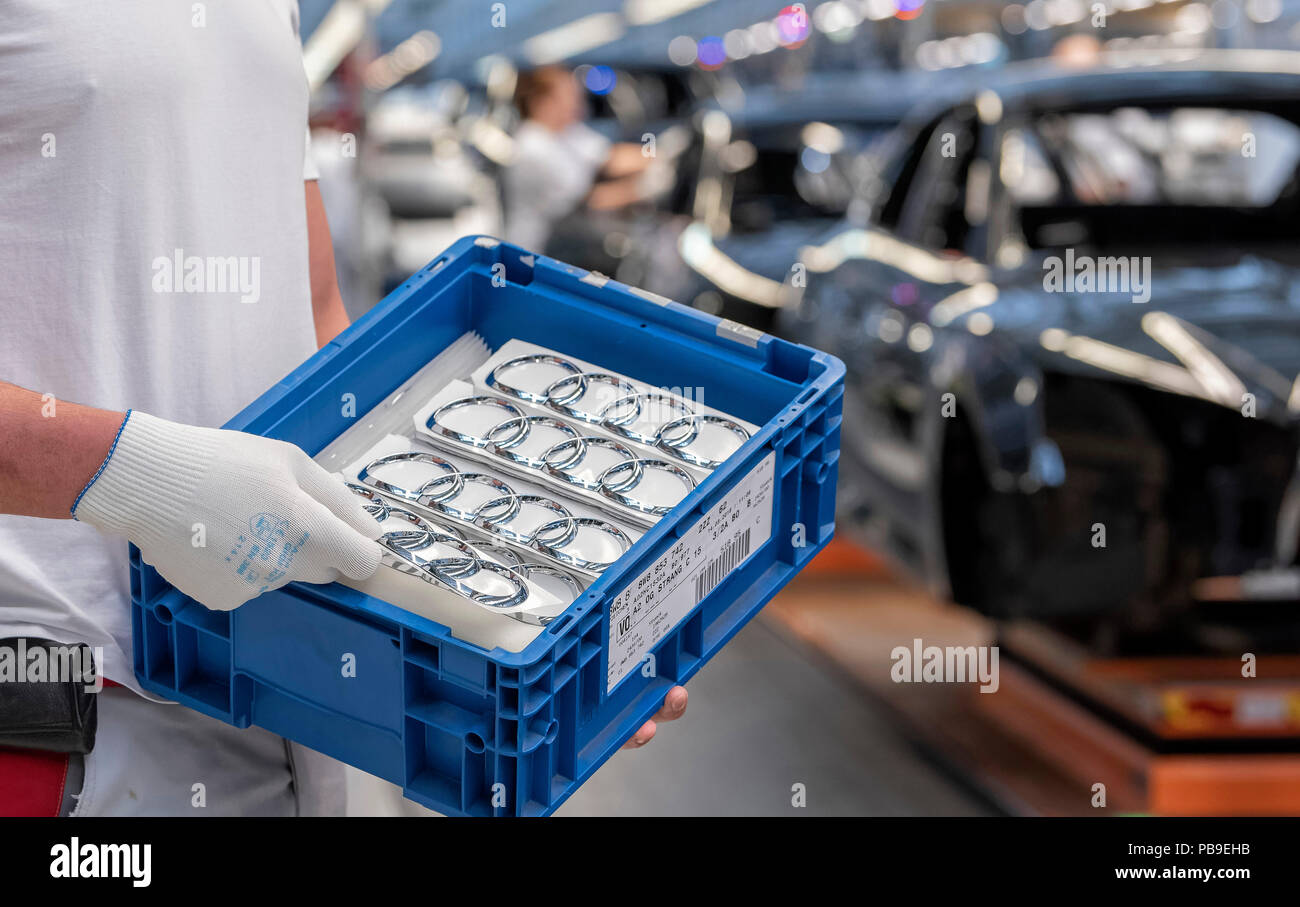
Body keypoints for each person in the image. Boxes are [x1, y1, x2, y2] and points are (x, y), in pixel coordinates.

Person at [0, 2, 685, 817]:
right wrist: (142, 477)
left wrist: (486, 591)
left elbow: (310, 304)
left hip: (276, 689)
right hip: (60, 708)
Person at [503, 65, 653, 255]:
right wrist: (649, 187)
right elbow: (590, 201)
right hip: (537, 253)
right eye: (568, 97)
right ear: (541, 102)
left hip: (570, 243)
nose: (577, 104)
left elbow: (612, 157)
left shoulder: (568, 132)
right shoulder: (531, 146)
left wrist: (666, 156)